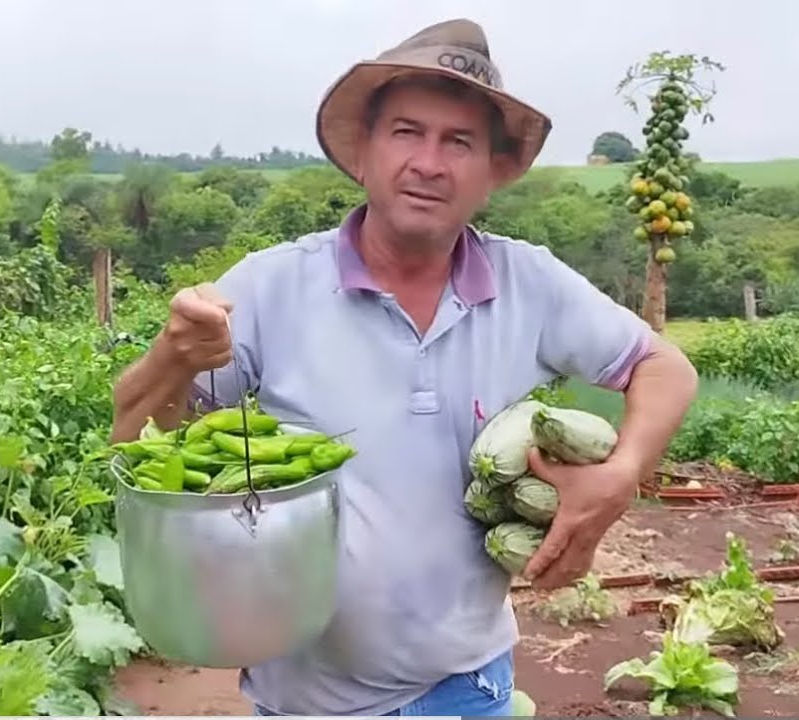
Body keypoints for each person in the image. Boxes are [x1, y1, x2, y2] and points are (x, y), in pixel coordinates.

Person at [110, 17, 699, 717]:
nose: (430, 161)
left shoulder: (530, 284)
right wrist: (173, 358)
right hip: (306, 699)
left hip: (470, 686)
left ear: (490, 172)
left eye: (460, 142)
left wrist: (620, 474)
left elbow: (665, 366)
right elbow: (137, 437)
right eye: (407, 132)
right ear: (363, 153)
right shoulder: (270, 288)